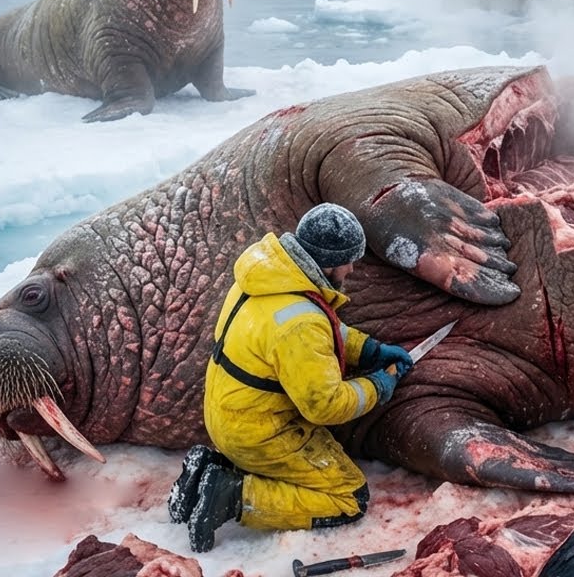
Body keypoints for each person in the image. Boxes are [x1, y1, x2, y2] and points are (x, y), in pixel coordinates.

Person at [168, 203, 415, 551]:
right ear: (329, 262)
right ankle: (231, 495)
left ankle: (206, 471)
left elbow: (315, 333)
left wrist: (369, 350)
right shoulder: (301, 322)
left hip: (227, 416)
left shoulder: (266, 280)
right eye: (348, 261)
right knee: (348, 497)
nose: (351, 269)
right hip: (261, 433)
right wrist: (377, 386)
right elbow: (325, 405)